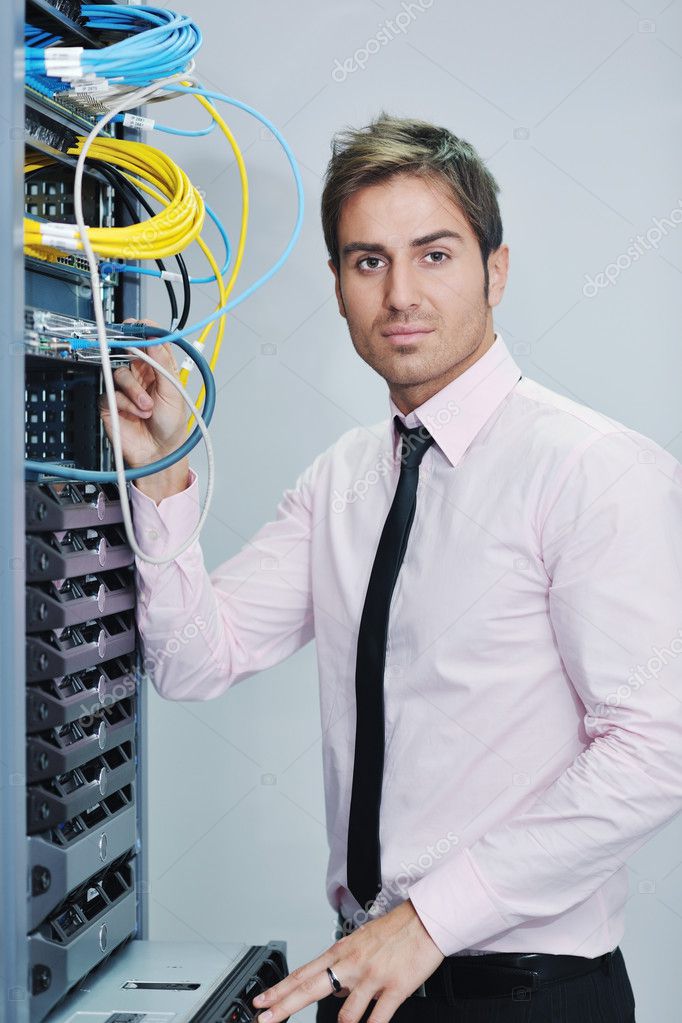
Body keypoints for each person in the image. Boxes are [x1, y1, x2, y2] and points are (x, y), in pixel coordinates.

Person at [99, 113, 682, 1023]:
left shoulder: (593, 471)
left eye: (435, 255)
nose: (400, 293)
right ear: (337, 286)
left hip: (524, 994)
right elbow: (191, 658)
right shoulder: (343, 479)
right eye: (368, 261)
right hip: (368, 979)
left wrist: (429, 921)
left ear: (495, 269)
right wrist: (163, 470)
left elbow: (658, 747)